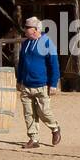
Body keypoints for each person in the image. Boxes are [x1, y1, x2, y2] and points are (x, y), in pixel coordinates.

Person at [15, 16, 61, 149]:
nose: (25, 30)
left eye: (27, 28)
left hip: (42, 85)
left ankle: (55, 128)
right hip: (26, 85)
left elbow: (54, 65)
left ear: (35, 30)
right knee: (28, 113)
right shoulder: (25, 43)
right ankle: (33, 139)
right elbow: (22, 63)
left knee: (43, 112)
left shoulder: (46, 42)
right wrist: (19, 80)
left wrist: (53, 83)